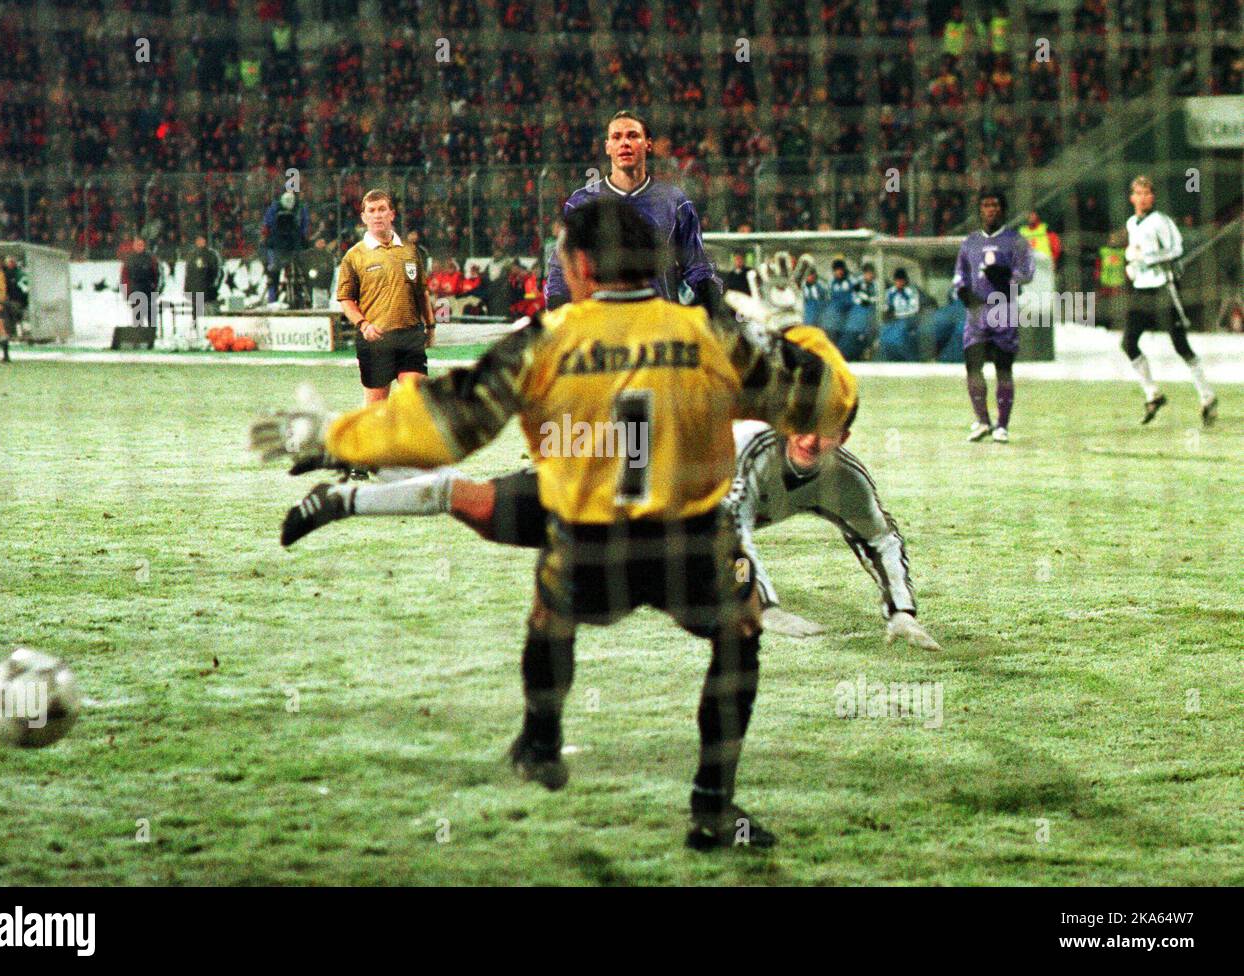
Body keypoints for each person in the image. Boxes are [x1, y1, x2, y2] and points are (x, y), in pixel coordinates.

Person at [252, 197, 858, 850]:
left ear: (583, 263)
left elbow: (446, 422)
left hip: (588, 548)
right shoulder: (708, 336)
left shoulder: (548, 339)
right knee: (738, 635)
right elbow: (825, 404)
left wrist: (335, 435)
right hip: (693, 543)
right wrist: (794, 331)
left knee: (552, 606)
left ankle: (541, 740)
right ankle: (713, 808)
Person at [278, 420, 940, 650]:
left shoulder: (842, 477)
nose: (806, 435)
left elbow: (880, 536)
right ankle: (344, 496)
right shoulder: (755, 449)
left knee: (470, 501)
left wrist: (902, 613)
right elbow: (729, 525)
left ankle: (350, 460)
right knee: (469, 502)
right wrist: (763, 606)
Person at [543, 110, 723, 316]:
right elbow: (560, 271)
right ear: (607, 147)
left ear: (648, 144)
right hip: (597, 328)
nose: (624, 143)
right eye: (616, 137)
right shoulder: (582, 202)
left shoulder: (674, 201)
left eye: (633, 136)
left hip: (657, 327)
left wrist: (715, 305)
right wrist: (556, 308)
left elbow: (697, 267)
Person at [1122, 176, 1217, 426]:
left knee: (1180, 346)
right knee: (1128, 343)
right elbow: (1137, 256)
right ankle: (1153, 394)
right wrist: (1133, 268)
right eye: (1138, 193)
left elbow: (1176, 249)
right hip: (1142, 291)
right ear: (1132, 197)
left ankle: (1207, 397)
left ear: (1153, 197)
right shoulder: (1132, 223)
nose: (1143, 198)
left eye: (1147, 193)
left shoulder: (1161, 221)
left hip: (1164, 290)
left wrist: (1147, 258)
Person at [335, 190, 434, 405]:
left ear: (392, 214)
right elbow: (345, 299)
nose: (377, 215)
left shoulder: (409, 251)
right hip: (375, 340)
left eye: (382, 209)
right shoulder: (354, 256)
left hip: (410, 337)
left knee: (417, 403)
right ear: (364, 218)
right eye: (371, 211)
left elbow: (422, 292)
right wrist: (364, 325)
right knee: (376, 412)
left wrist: (431, 326)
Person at [953, 189, 1035, 443]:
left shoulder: (1016, 240)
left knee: (1003, 369)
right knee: (973, 367)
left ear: (1003, 209)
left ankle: (1003, 425)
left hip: (1004, 313)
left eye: (996, 204)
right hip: (977, 315)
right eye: (986, 205)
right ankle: (982, 421)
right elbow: (959, 275)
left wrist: (1006, 276)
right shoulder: (970, 242)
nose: (991, 209)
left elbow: (1027, 273)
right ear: (980, 210)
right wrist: (964, 292)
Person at [263, 190, 309, 305]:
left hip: (293, 245)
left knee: (297, 272)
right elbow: (267, 226)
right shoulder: (274, 209)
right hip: (277, 246)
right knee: (274, 272)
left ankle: (297, 296)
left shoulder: (300, 208)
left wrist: (301, 238)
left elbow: (304, 226)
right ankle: (272, 299)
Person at [880, 268, 921, 361]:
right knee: (884, 330)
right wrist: (887, 311)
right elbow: (885, 305)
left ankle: (907, 357)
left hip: (907, 318)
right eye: (897, 281)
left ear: (905, 280)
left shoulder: (911, 291)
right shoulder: (890, 292)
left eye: (901, 280)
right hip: (894, 319)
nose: (899, 283)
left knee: (900, 331)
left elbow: (914, 308)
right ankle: (889, 356)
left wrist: (899, 314)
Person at [121, 236, 160, 331]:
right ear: (134, 246)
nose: (139, 247)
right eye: (137, 245)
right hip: (135, 291)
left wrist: (155, 288)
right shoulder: (128, 259)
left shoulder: (150, 258)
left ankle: (152, 335)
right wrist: (125, 293)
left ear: (144, 246)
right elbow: (124, 277)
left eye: (141, 245)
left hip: (149, 290)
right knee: (137, 316)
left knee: (151, 315)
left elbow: (156, 275)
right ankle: (138, 335)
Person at [182, 233, 223, 316]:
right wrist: (187, 287)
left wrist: (213, 287)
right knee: (197, 314)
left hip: (208, 292)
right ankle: (196, 326)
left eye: (201, 240)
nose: (199, 242)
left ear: (205, 241)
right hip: (195, 291)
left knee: (209, 314)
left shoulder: (212, 255)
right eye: (198, 240)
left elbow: (218, 272)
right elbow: (188, 273)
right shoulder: (192, 256)